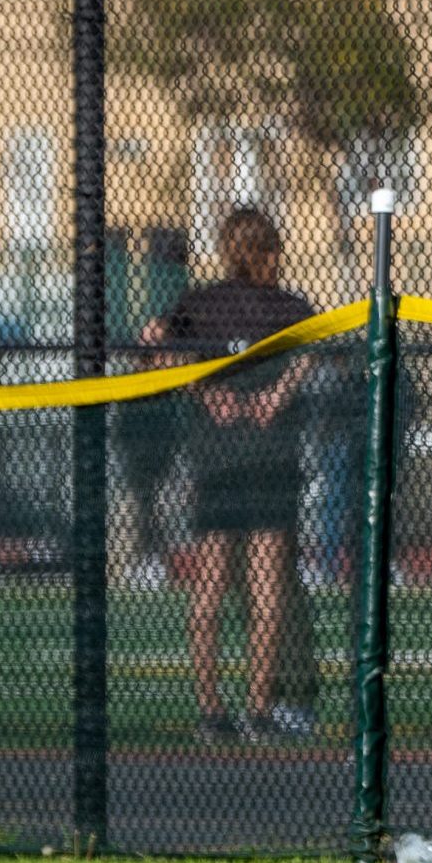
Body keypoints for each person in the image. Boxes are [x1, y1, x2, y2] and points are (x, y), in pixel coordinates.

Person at [145, 207, 318, 743]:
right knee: (263, 588)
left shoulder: (200, 304)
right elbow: (312, 355)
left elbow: (153, 343)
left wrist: (206, 390)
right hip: (263, 457)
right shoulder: (288, 305)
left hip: (220, 457)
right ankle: (257, 709)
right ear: (269, 251)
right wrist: (273, 395)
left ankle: (212, 710)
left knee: (212, 585)